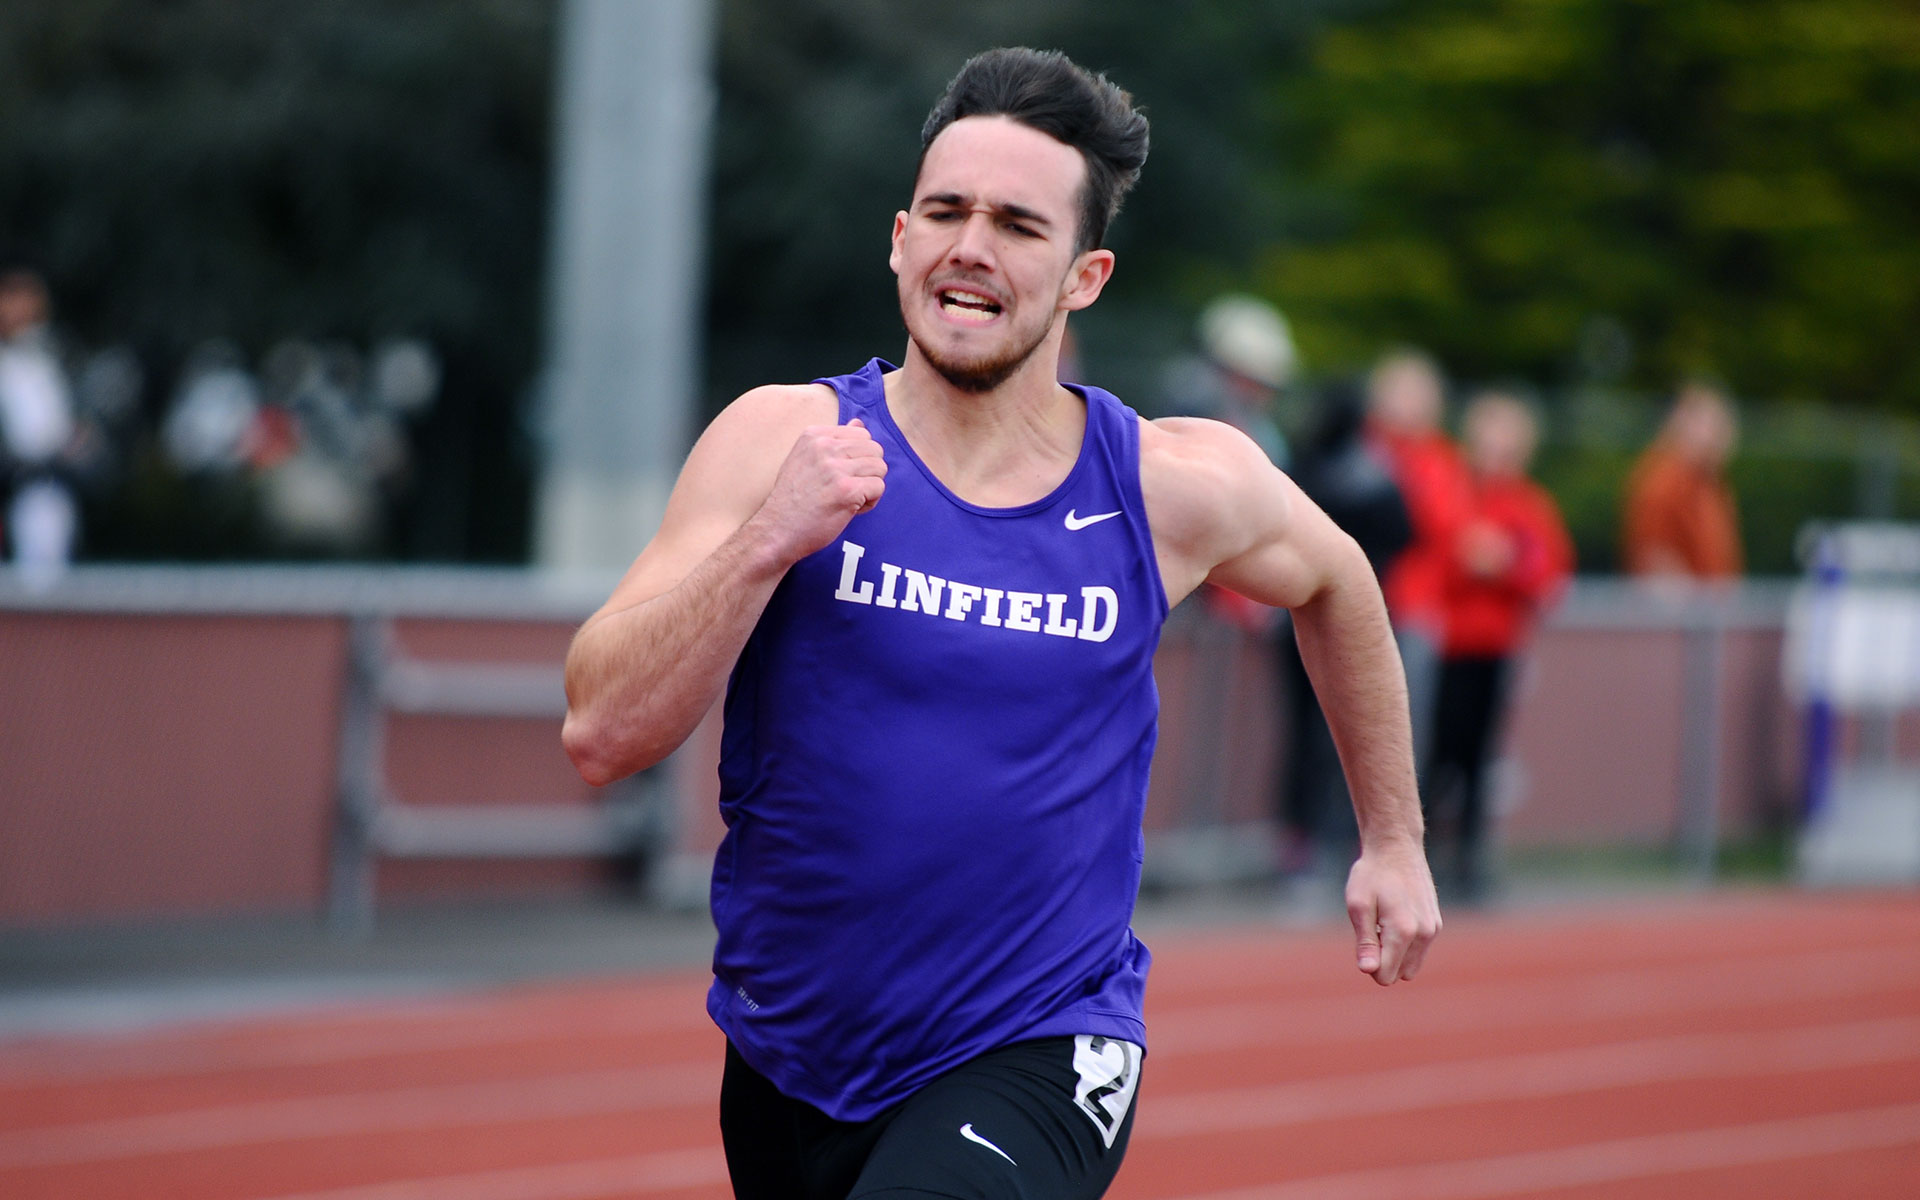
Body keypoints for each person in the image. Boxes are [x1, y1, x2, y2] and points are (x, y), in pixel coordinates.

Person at [562, 48, 1439, 1200]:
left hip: (1037, 1044)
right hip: (789, 1053)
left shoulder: (1166, 485)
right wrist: (765, 541)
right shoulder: (784, 441)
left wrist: (1393, 839)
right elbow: (601, 731)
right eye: (946, 212)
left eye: (1019, 225)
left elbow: (1339, 581)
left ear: (1084, 276)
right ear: (900, 239)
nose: (972, 245)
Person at [1428, 391, 1572, 903]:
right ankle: (1425, 857)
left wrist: (1503, 563)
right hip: (1447, 645)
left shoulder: (1529, 506)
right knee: (1434, 753)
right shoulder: (1454, 495)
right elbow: (1434, 560)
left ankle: (1469, 856)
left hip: (1496, 646)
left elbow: (1548, 575)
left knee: (1477, 756)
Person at [1276, 377, 1413, 881]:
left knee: (1313, 736)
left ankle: (1312, 844)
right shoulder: (1373, 476)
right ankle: (1323, 844)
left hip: (1303, 619)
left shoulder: (1307, 468)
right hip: (1350, 622)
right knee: (1348, 733)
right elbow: (1404, 533)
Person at [1364, 349, 1475, 778]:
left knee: (1405, 720)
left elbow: (1442, 524)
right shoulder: (1366, 447)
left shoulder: (1439, 459)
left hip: (1414, 605)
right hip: (1362, 597)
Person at [0, 265, 80, 583]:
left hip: (45, 489)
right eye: (11, 295)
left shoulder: (55, 355)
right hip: (11, 483)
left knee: (44, 578)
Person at [1622, 381, 1741, 585]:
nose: (1720, 435)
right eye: (1710, 424)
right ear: (1680, 422)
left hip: (1709, 608)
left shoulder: (1710, 482)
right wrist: (1692, 612)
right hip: (1684, 614)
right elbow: (1654, 560)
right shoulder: (1662, 480)